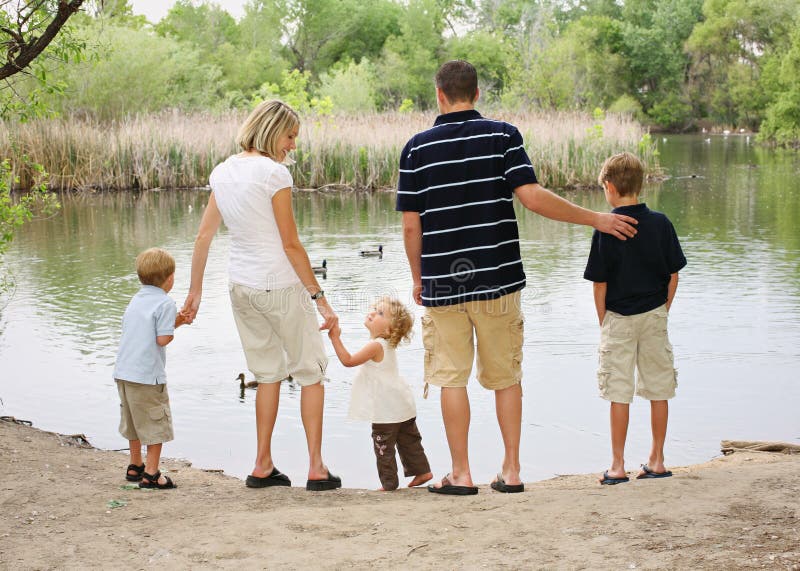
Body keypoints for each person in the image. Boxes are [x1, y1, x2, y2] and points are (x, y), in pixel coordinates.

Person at [396, 60, 638, 495]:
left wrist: (419, 278)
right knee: (506, 376)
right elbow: (531, 197)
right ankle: (510, 472)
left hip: (442, 283)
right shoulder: (503, 136)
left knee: (451, 377)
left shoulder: (415, 148)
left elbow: (412, 227)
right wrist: (595, 219)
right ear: (477, 93)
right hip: (499, 281)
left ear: (439, 94)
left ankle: (462, 474)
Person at [181, 100, 341, 491]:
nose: (293, 146)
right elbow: (291, 245)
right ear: (272, 131)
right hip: (280, 287)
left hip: (241, 287)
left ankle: (262, 464)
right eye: (290, 136)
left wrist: (194, 292)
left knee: (267, 374)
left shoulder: (223, 171)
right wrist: (321, 299)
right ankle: (316, 468)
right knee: (310, 374)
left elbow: (203, 236)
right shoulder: (275, 175)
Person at [583, 152, 686, 485]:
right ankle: (657, 459)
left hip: (618, 317)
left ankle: (617, 465)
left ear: (610, 188)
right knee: (659, 388)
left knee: (619, 390)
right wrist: (662, 309)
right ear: (640, 186)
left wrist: (604, 321)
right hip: (655, 314)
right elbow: (674, 274)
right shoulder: (661, 223)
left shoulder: (606, 228)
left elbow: (600, 284)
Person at [328, 297, 433, 491]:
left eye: (380, 313)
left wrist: (335, 338)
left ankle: (389, 484)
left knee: (383, 445)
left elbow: (348, 361)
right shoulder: (387, 344)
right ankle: (422, 471)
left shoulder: (376, 345)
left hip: (386, 409)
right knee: (408, 440)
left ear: (388, 330)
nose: (373, 312)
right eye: (375, 309)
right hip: (401, 403)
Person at [114, 247, 187, 490]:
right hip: (147, 376)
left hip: (124, 372)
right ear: (169, 278)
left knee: (133, 421)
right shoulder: (165, 303)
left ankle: (135, 465)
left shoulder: (136, 299)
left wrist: (178, 321)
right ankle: (152, 474)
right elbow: (162, 339)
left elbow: (146, 331)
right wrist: (176, 323)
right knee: (156, 423)